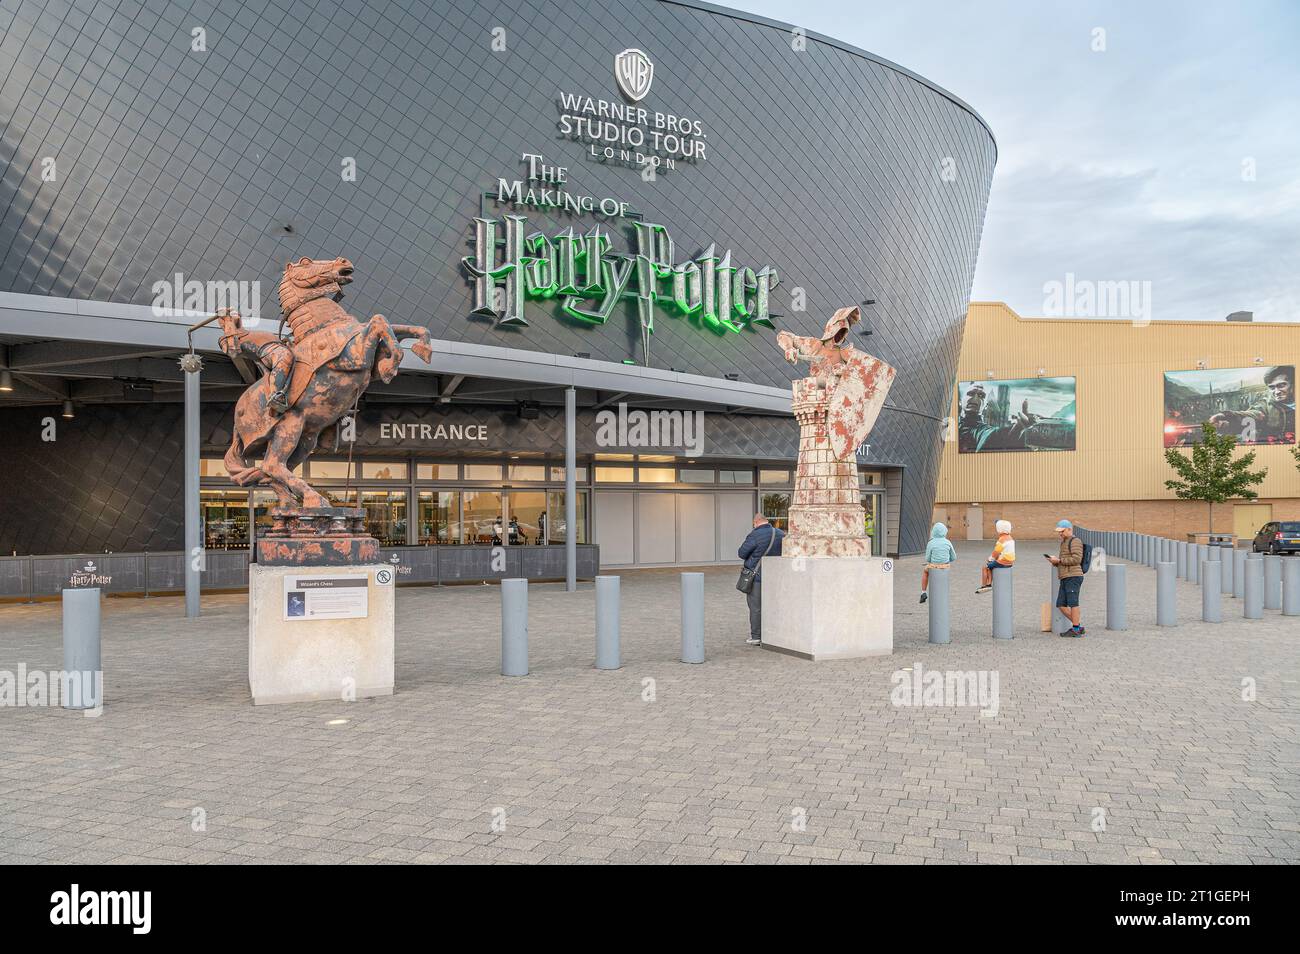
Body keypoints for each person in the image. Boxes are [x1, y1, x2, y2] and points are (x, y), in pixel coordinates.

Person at [738, 513, 784, 646]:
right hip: (775, 577)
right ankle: (774, 633)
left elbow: (741, 553)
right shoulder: (780, 533)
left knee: (755, 607)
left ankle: (756, 636)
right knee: (773, 605)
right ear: (766, 521)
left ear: (756, 522)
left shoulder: (755, 535)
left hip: (757, 577)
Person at [1049, 519, 1086, 636]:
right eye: (1059, 532)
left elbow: (1076, 559)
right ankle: (1078, 626)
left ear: (1069, 529)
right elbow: (1065, 560)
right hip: (1065, 576)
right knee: (1060, 604)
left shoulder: (1075, 541)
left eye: (1062, 531)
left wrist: (1059, 560)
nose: (1060, 533)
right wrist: (1055, 562)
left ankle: (1075, 629)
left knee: (1073, 603)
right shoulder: (1064, 542)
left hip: (1073, 576)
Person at [920, 522, 956, 604]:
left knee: (925, 572)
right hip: (946, 566)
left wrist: (934, 561)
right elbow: (954, 557)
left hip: (933, 566)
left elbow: (927, 558)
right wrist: (945, 560)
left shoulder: (930, 543)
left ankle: (923, 592)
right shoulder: (948, 542)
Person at [976, 519, 1015, 593]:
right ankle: (988, 584)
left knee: (985, 567)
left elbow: (996, 552)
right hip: (1010, 562)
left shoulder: (1002, 540)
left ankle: (984, 585)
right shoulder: (1010, 538)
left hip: (1003, 562)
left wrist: (990, 558)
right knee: (990, 565)